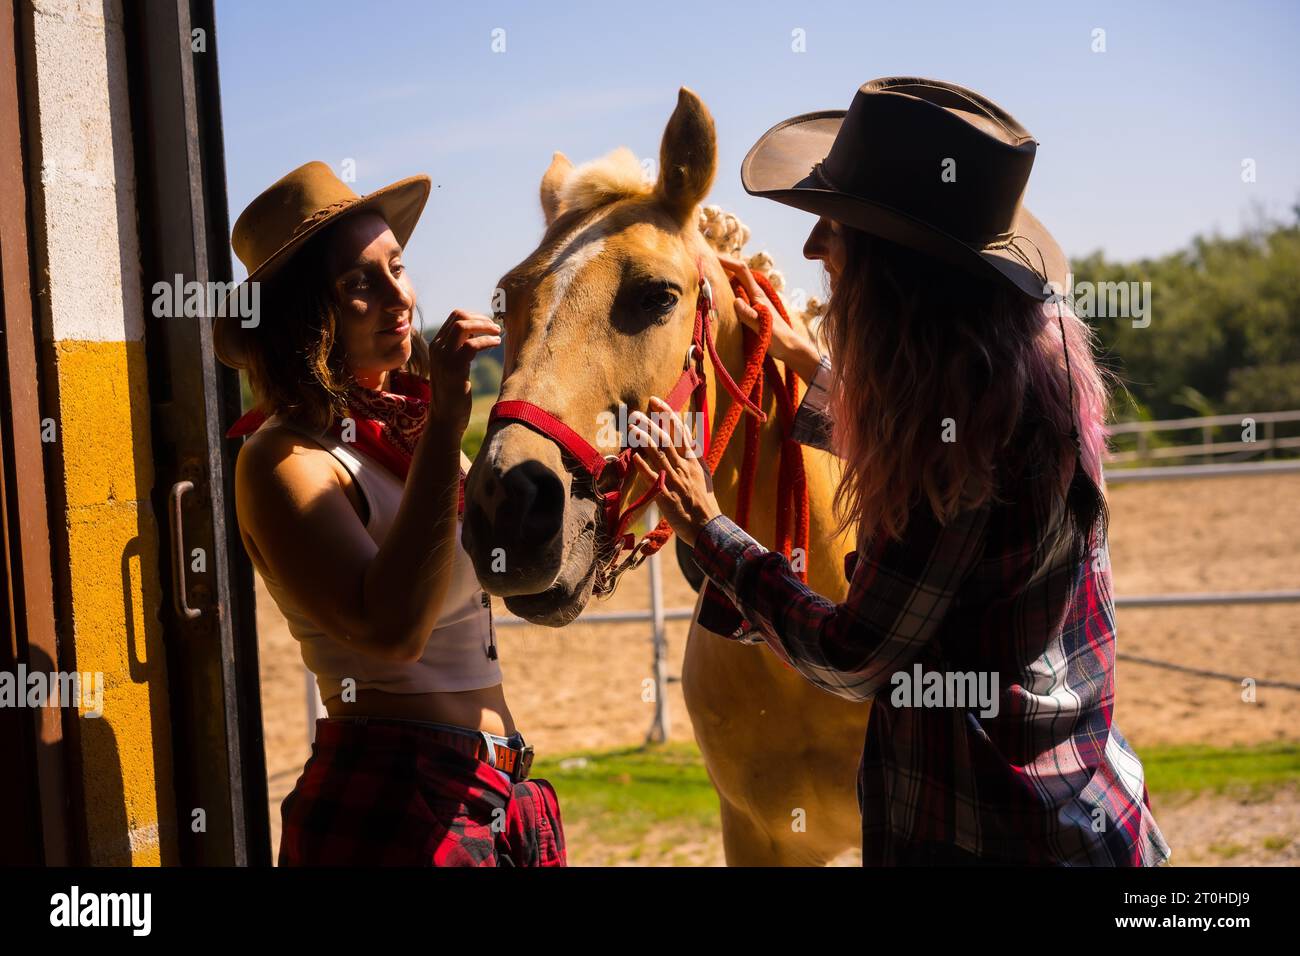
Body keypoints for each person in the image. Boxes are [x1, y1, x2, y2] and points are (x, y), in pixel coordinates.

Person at [628, 78, 1171, 866]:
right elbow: (951, 489)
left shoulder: (964, 435)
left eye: (839, 225)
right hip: (1087, 811)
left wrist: (708, 528)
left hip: (988, 833)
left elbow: (854, 657)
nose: (812, 247)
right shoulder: (1032, 367)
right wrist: (815, 368)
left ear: (898, 270)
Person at [219, 161, 565, 866]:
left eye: (397, 267)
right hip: (394, 797)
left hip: (493, 792)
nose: (397, 297)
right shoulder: (282, 461)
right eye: (356, 284)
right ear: (301, 318)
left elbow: (512, 578)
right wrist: (445, 424)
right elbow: (394, 630)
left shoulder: (401, 439)